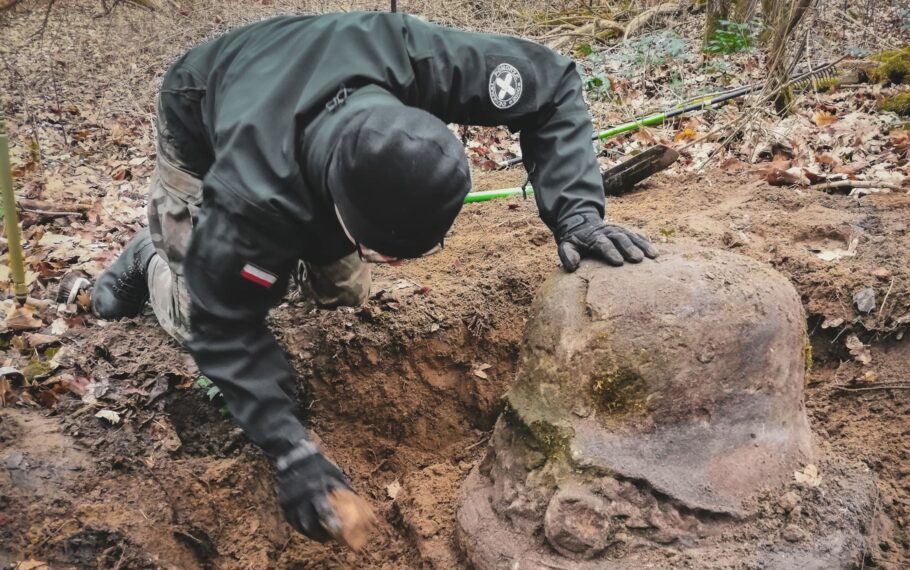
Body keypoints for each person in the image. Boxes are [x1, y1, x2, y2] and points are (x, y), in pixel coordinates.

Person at [84, 11, 658, 542]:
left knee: (343, 291)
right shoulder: (250, 197)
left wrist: (577, 214)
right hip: (203, 106)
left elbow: (553, 84)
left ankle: (242, 253)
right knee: (201, 306)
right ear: (340, 212)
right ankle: (150, 256)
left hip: (322, 94)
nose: (401, 268)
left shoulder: (423, 61)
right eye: (383, 250)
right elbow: (221, 325)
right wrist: (289, 449)